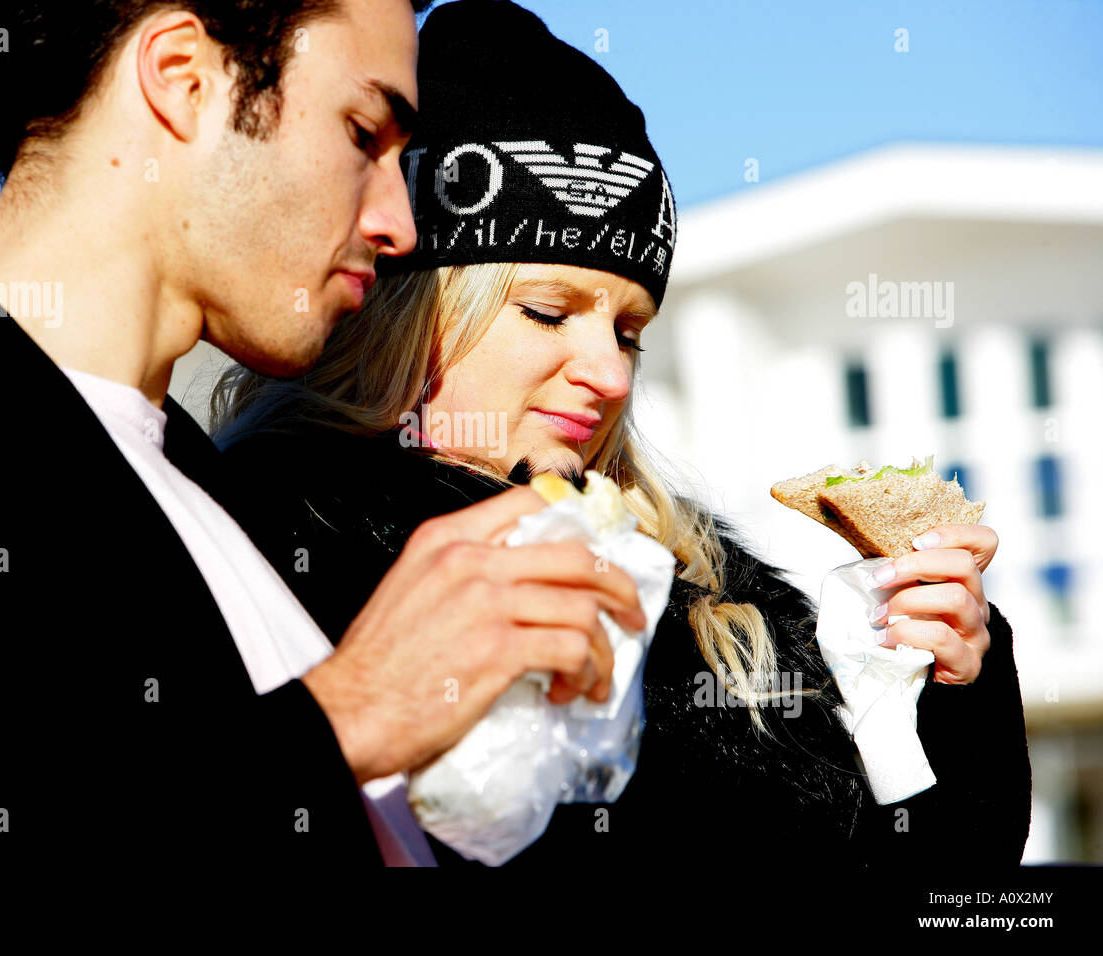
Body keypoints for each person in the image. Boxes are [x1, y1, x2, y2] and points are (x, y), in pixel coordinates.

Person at [0, 0, 651, 932]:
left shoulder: (241, 515)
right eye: (364, 132)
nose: (400, 222)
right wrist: (341, 723)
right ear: (181, 78)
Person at [209, 0, 1032, 869]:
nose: (607, 374)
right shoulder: (266, 544)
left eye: (631, 331)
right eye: (546, 310)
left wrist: (938, 690)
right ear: (401, 312)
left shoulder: (718, 594)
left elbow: (950, 891)